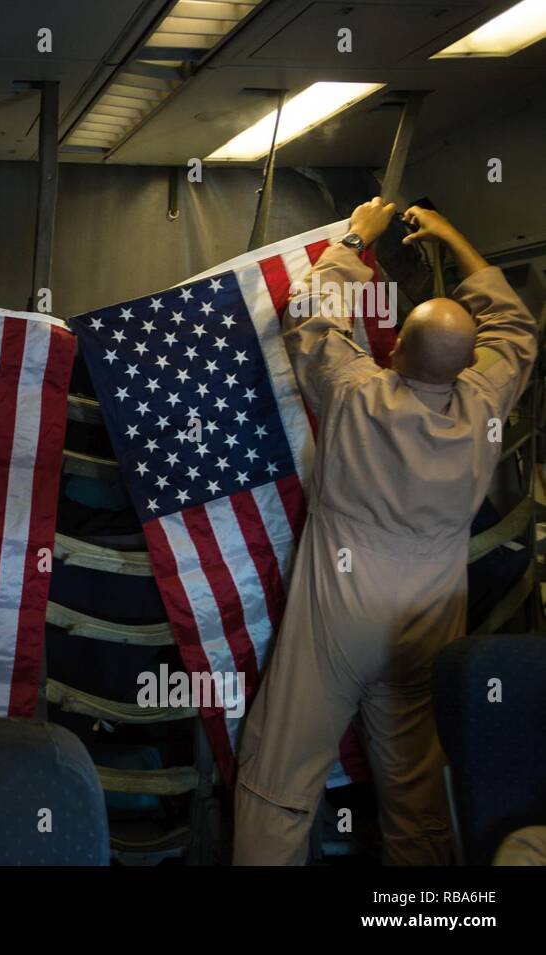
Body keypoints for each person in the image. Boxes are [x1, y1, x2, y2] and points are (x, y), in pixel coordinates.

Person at [233, 197, 538, 865]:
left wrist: (355, 238)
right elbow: (515, 328)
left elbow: (311, 309)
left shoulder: (353, 392)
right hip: (428, 617)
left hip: (337, 615)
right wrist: (454, 234)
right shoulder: (485, 400)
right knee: (417, 791)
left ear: (395, 347)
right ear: (464, 365)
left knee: (277, 779)